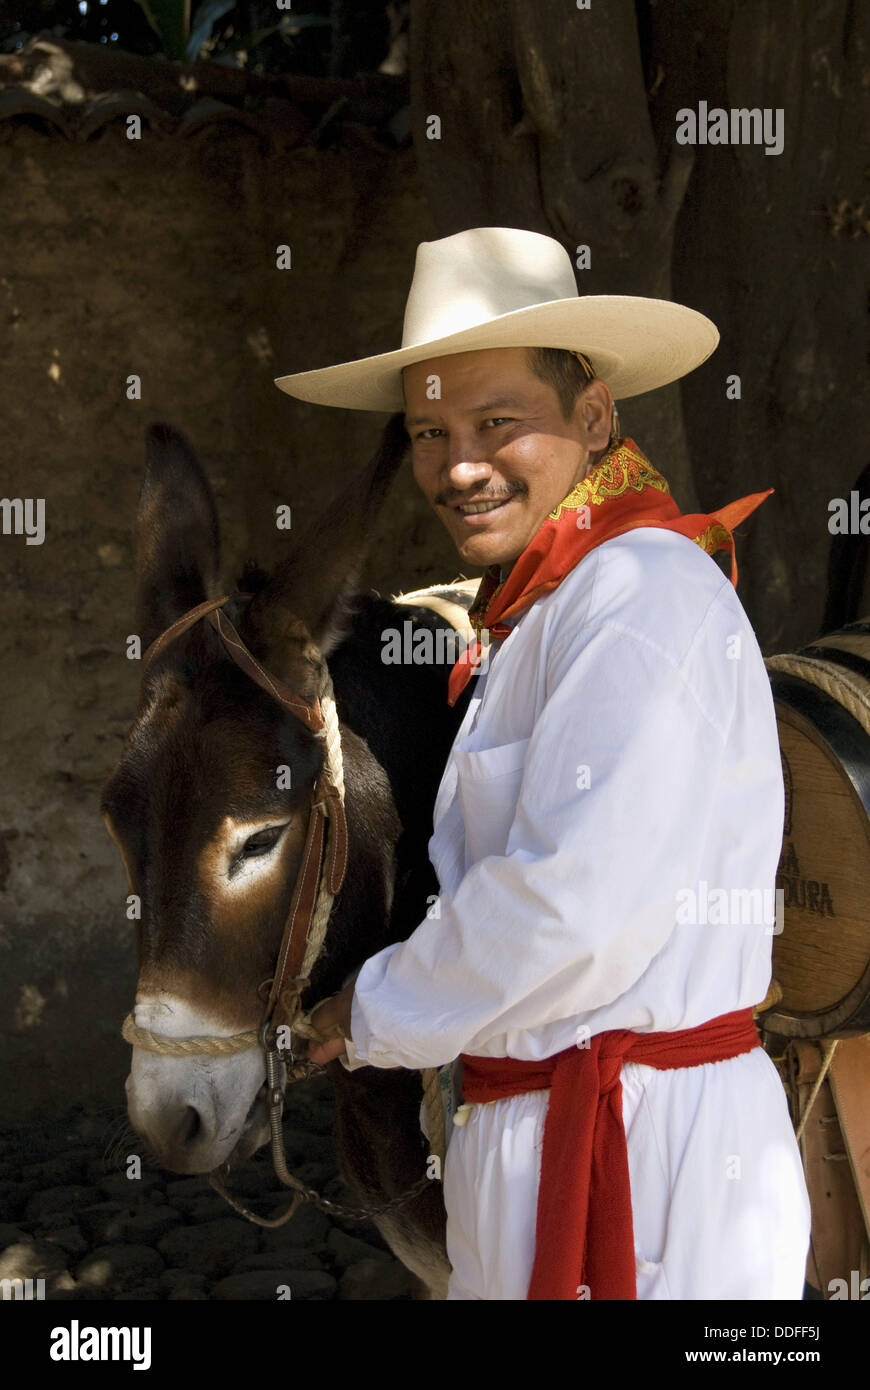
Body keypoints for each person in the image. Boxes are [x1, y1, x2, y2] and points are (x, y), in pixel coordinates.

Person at [272, 227, 812, 1301]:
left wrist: (365, 1010)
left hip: (650, 1170)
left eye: (496, 423)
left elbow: (572, 901)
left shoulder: (639, 594)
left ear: (596, 414)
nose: (458, 464)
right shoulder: (546, 613)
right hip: (544, 1140)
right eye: (429, 431)